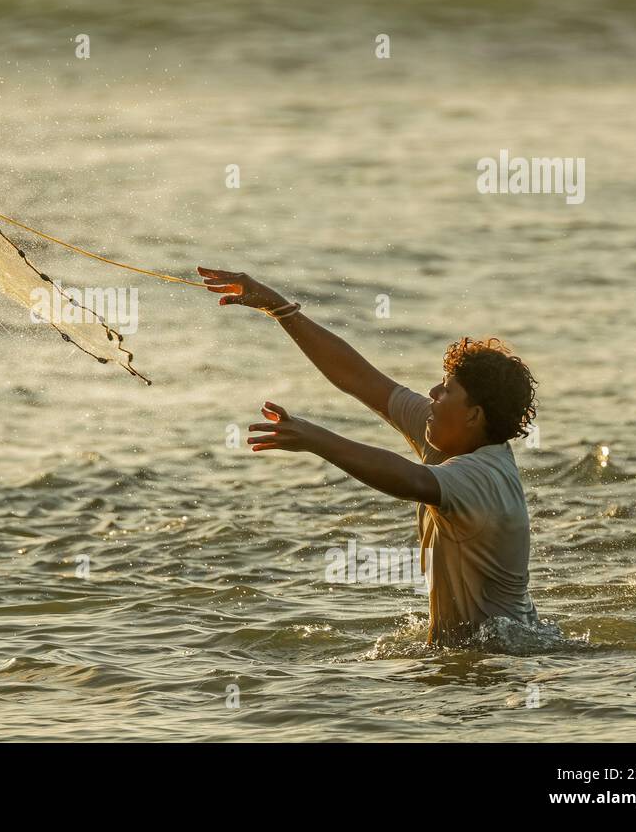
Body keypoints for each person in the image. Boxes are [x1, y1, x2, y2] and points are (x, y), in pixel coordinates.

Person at [199, 266, 540, 647]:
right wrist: (279, 308)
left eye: (445, 391)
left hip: (505, 659)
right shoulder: (448, 437)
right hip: (478, 653)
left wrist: (317, 439)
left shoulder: (484, 477)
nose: (432, 393)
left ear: (473, 415)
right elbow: (361, 378)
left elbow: (410, 480)